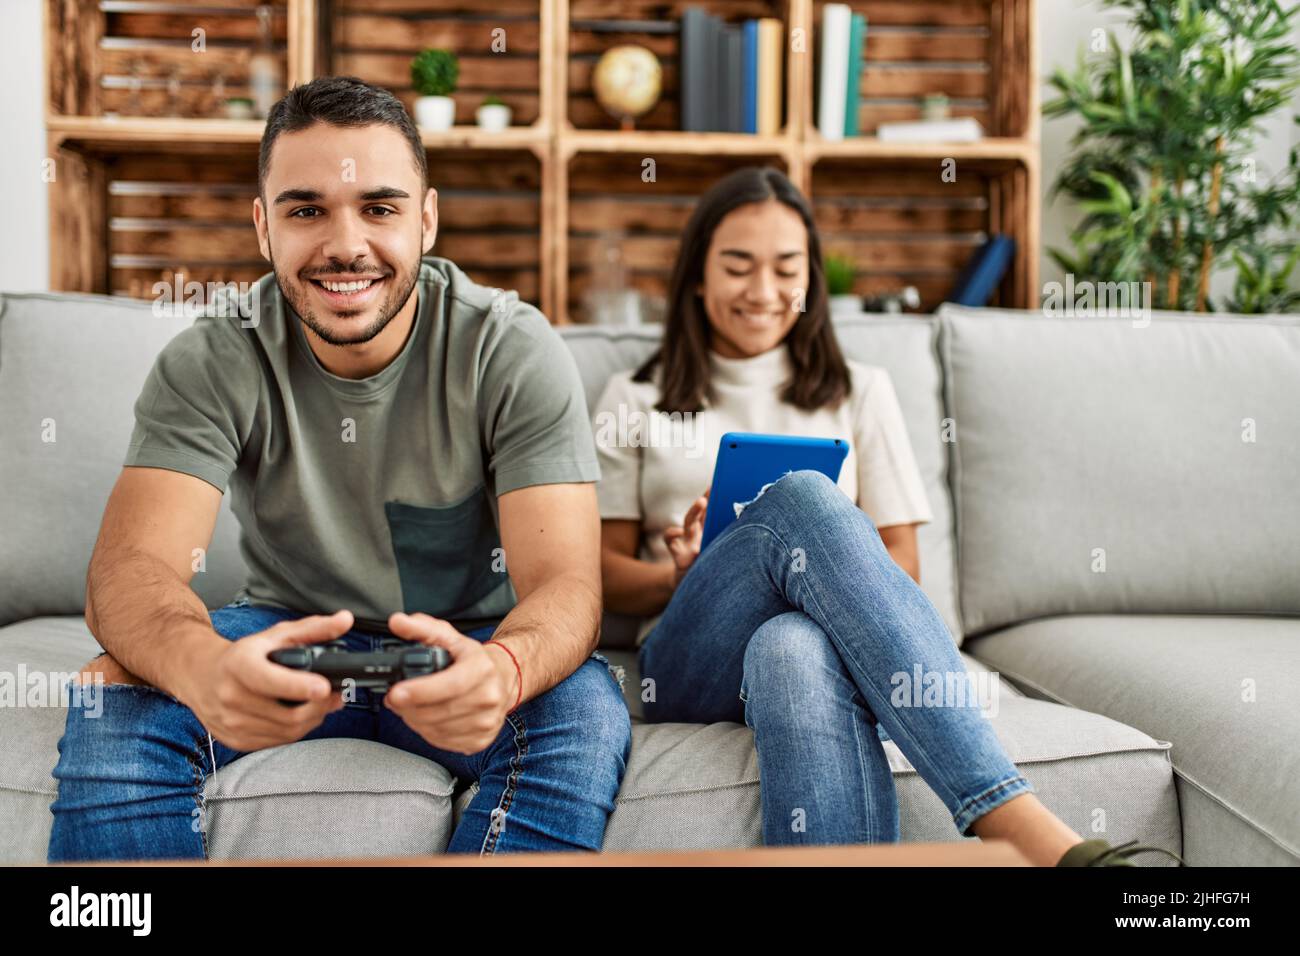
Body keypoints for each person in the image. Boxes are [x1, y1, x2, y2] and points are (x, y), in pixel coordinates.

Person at [47, 76, 630, 861]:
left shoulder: (509, 347)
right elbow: (129, 569)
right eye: (306, 210)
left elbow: (566, 583)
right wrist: (203, 667)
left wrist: (505, 668)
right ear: (263, 226)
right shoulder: (214, 357)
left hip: (470, 640)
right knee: (112, 697)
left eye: (380, 208)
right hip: (290, 630)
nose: (345, 245)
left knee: (583, 712)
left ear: (426, 220)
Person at [592, 165, 1182, 867]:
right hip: (689, 656)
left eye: (786, 269)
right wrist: (679, 577)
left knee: (791, 644)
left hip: (812, 643)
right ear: (697, 274)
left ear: (811, 279)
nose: (763, 291)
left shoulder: (860, 390)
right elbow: (598, 575)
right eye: (738, 267)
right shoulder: (634, 397)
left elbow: (902, 566)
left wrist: (818, 579)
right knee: (805, 495)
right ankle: (1017, 822)